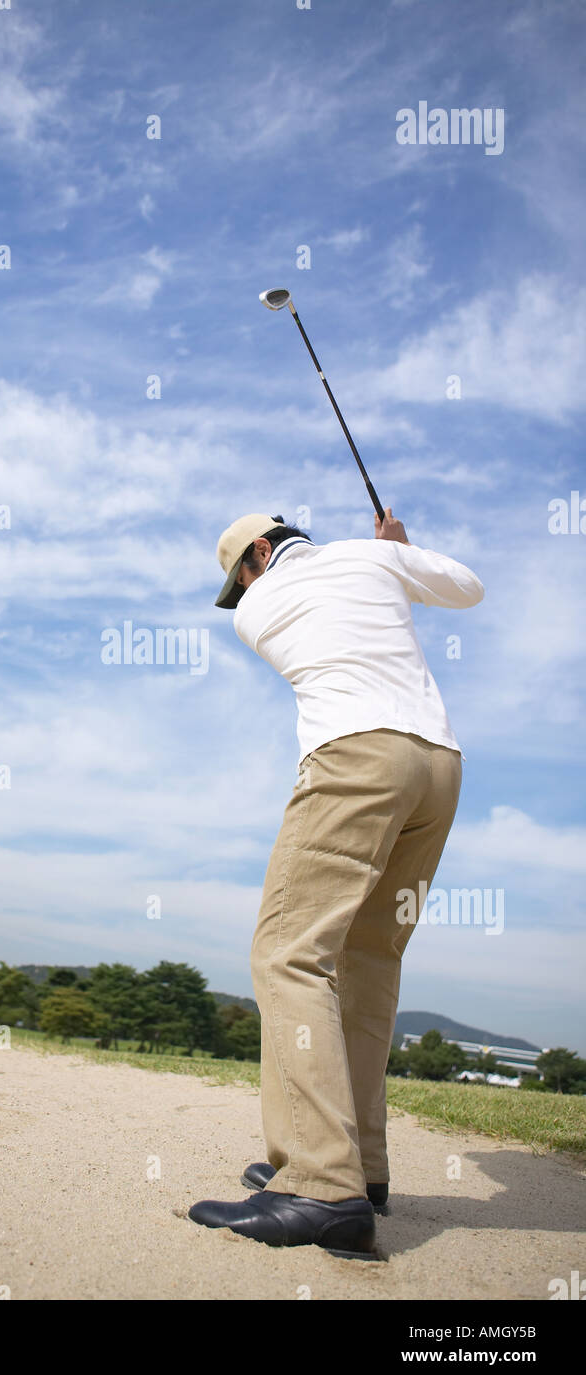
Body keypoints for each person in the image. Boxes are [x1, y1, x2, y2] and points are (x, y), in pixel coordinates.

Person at [188, 508, 484, 1258]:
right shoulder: (370, 559)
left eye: (239, 575)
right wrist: (401, 556)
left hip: (357, 758)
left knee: (289, 953)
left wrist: (387, 563)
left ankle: (322, 1183)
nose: (239, 592)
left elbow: (322, 602)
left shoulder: (254, 612)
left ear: (259, 552)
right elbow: (468, 588)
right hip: (438, 769)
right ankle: (363, 1166)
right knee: (368, 960)